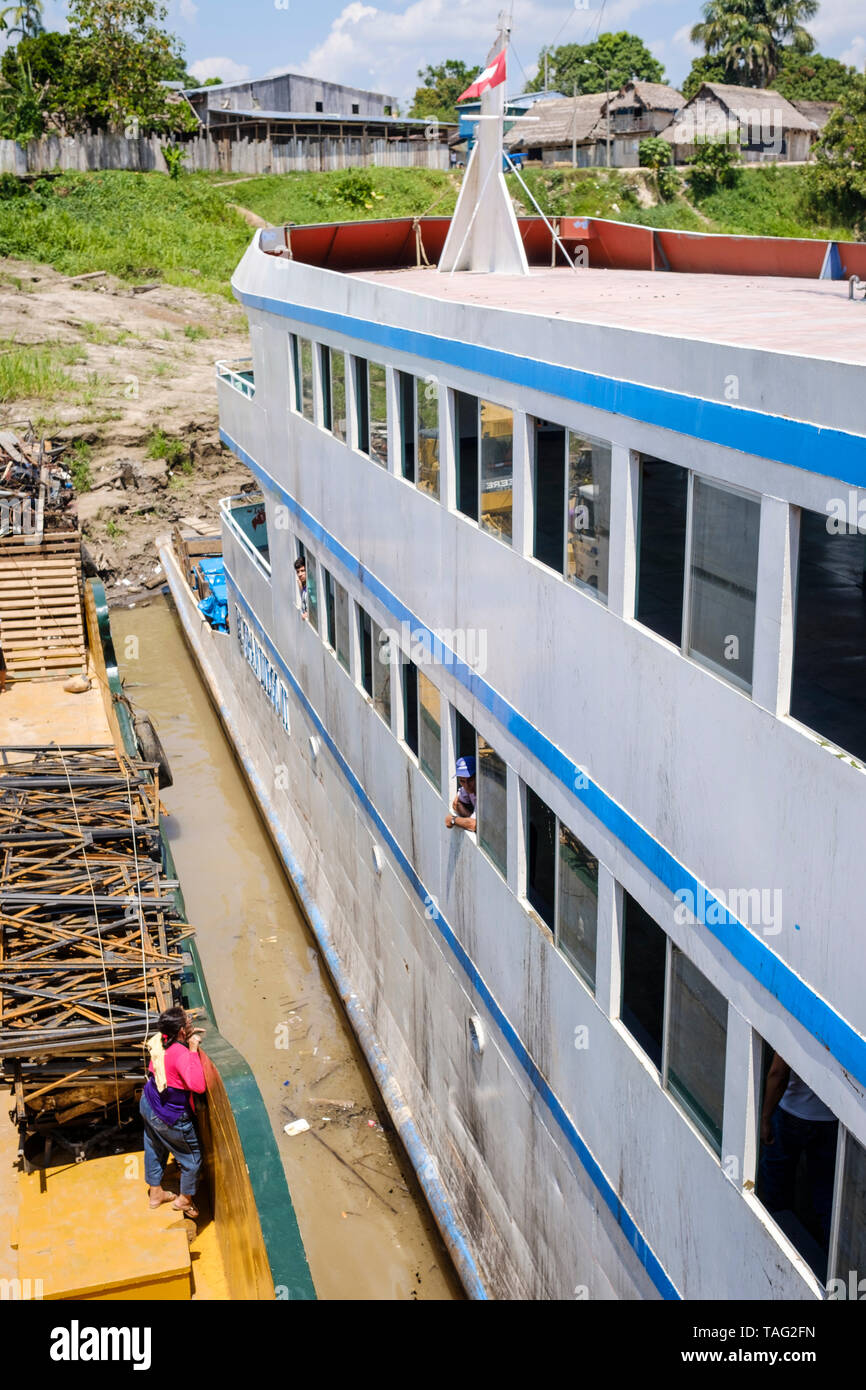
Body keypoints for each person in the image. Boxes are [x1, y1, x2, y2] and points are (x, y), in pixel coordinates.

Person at [758, 1052, 838, 1249]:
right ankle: (831, 1256)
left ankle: (773, 1239)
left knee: (776, 1182)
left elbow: (778, 1074)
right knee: (826, 1196)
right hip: (829, 1121)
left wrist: (765, 1118)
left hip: (791, 1114)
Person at [140, 1006, 206, 1218]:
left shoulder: (161, 1039)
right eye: (187, 1022)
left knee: (153, 1145)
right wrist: (193, 1049)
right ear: (180, 1031)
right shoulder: (180, 1053)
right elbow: (197, 1085)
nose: (190, 1022)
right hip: (169, 1115)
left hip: (149, 1102)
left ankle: (156, 1194)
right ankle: (184, 1200)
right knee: (192, 1158)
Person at [445, 755, 476, 832]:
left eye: (470, 779)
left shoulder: (483, 792)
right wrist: (469, 817)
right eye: (462, 781)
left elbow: (473, 825)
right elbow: (456, 804)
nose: (467, 785)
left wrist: (453, 820)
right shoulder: (468, 787)